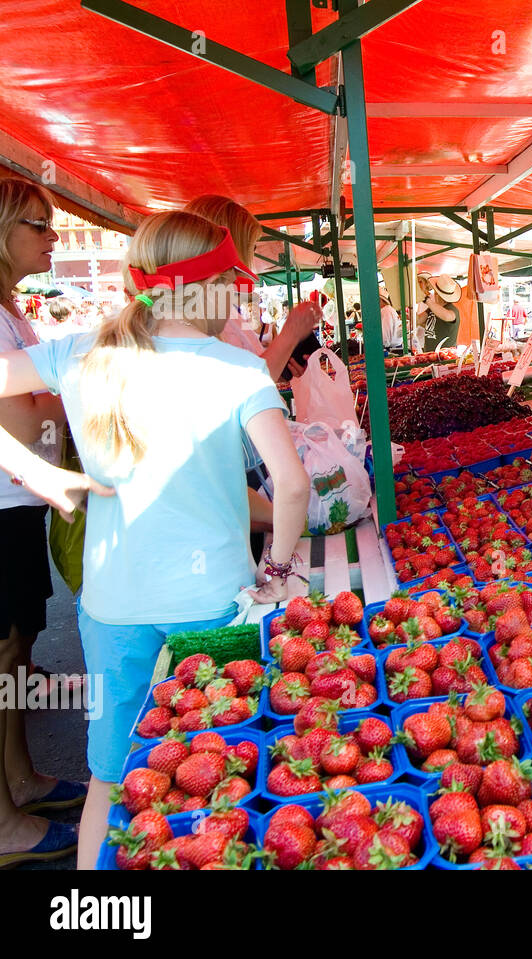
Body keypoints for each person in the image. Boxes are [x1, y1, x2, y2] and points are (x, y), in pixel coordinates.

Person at [0, 210, 311, 867]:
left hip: (111, 607)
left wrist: (34, 472)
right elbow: (291, 486)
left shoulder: (80, 350)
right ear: (214, 284)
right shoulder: (233, 367)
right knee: (222, 779)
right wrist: (279, 572)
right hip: (214, 608)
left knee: (110, 780)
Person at [0, 176, 80, 866]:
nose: (53, 237)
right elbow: (22, 419)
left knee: (19, 645)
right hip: (2, 505)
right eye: (41, 225)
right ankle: (3, 823)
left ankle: (20, 779)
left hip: (17, 503)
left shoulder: (14, 313)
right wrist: (78, 404)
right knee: (1, 652)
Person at [182, 195, 319, 382]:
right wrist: (291, 333)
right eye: (251, 247)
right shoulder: (197, 315)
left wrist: (281, 367)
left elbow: (248, 370)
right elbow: (244, 384)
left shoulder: (218, 309)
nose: (250, 258)